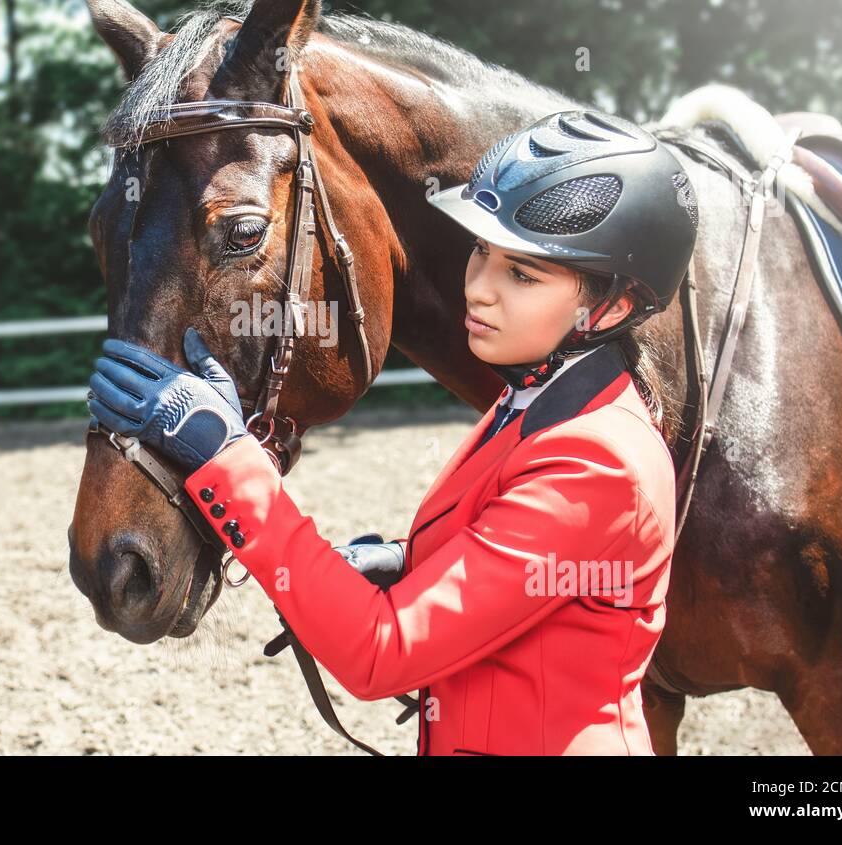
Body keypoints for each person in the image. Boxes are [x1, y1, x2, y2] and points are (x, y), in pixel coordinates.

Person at [86, 108, 699, 755]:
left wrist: (229, 457)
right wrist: (412, 561)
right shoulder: (538, 398)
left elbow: (382, 651)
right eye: (482, 253)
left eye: (522, 274)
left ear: (615, 305)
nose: (480, 290)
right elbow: (525, 566)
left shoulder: (597, 461)